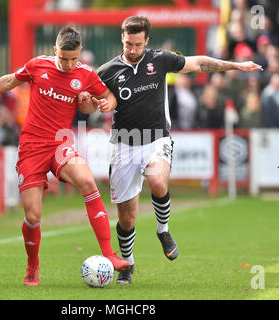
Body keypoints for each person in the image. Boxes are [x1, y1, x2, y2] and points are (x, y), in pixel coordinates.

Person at [83, 16, 262, 285]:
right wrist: (92, 104)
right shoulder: (107, 71)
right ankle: (128, 263)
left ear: (147, 41)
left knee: (157, 179)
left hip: (157, 138)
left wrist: (236, 65)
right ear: (122, 38)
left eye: (138, 44)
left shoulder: (160, 59)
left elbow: (198, 62)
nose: (133, 49)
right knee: (127, 216)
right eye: (129, 44)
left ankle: (163, 230)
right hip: (123, 144)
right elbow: (87, 105)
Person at [0, 26, 130, 287]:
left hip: (61, 143)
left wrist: (106, 104)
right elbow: (8, 81)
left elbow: (104, 97)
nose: (68, 64)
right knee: (33, 216)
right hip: (32, 147)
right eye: (64, 58)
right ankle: (32, 266)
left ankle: (108, 253)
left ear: (80, 54)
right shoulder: (37, 66)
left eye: (73, 59)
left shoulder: (85, 74)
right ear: (55, 51)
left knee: (87, 182)